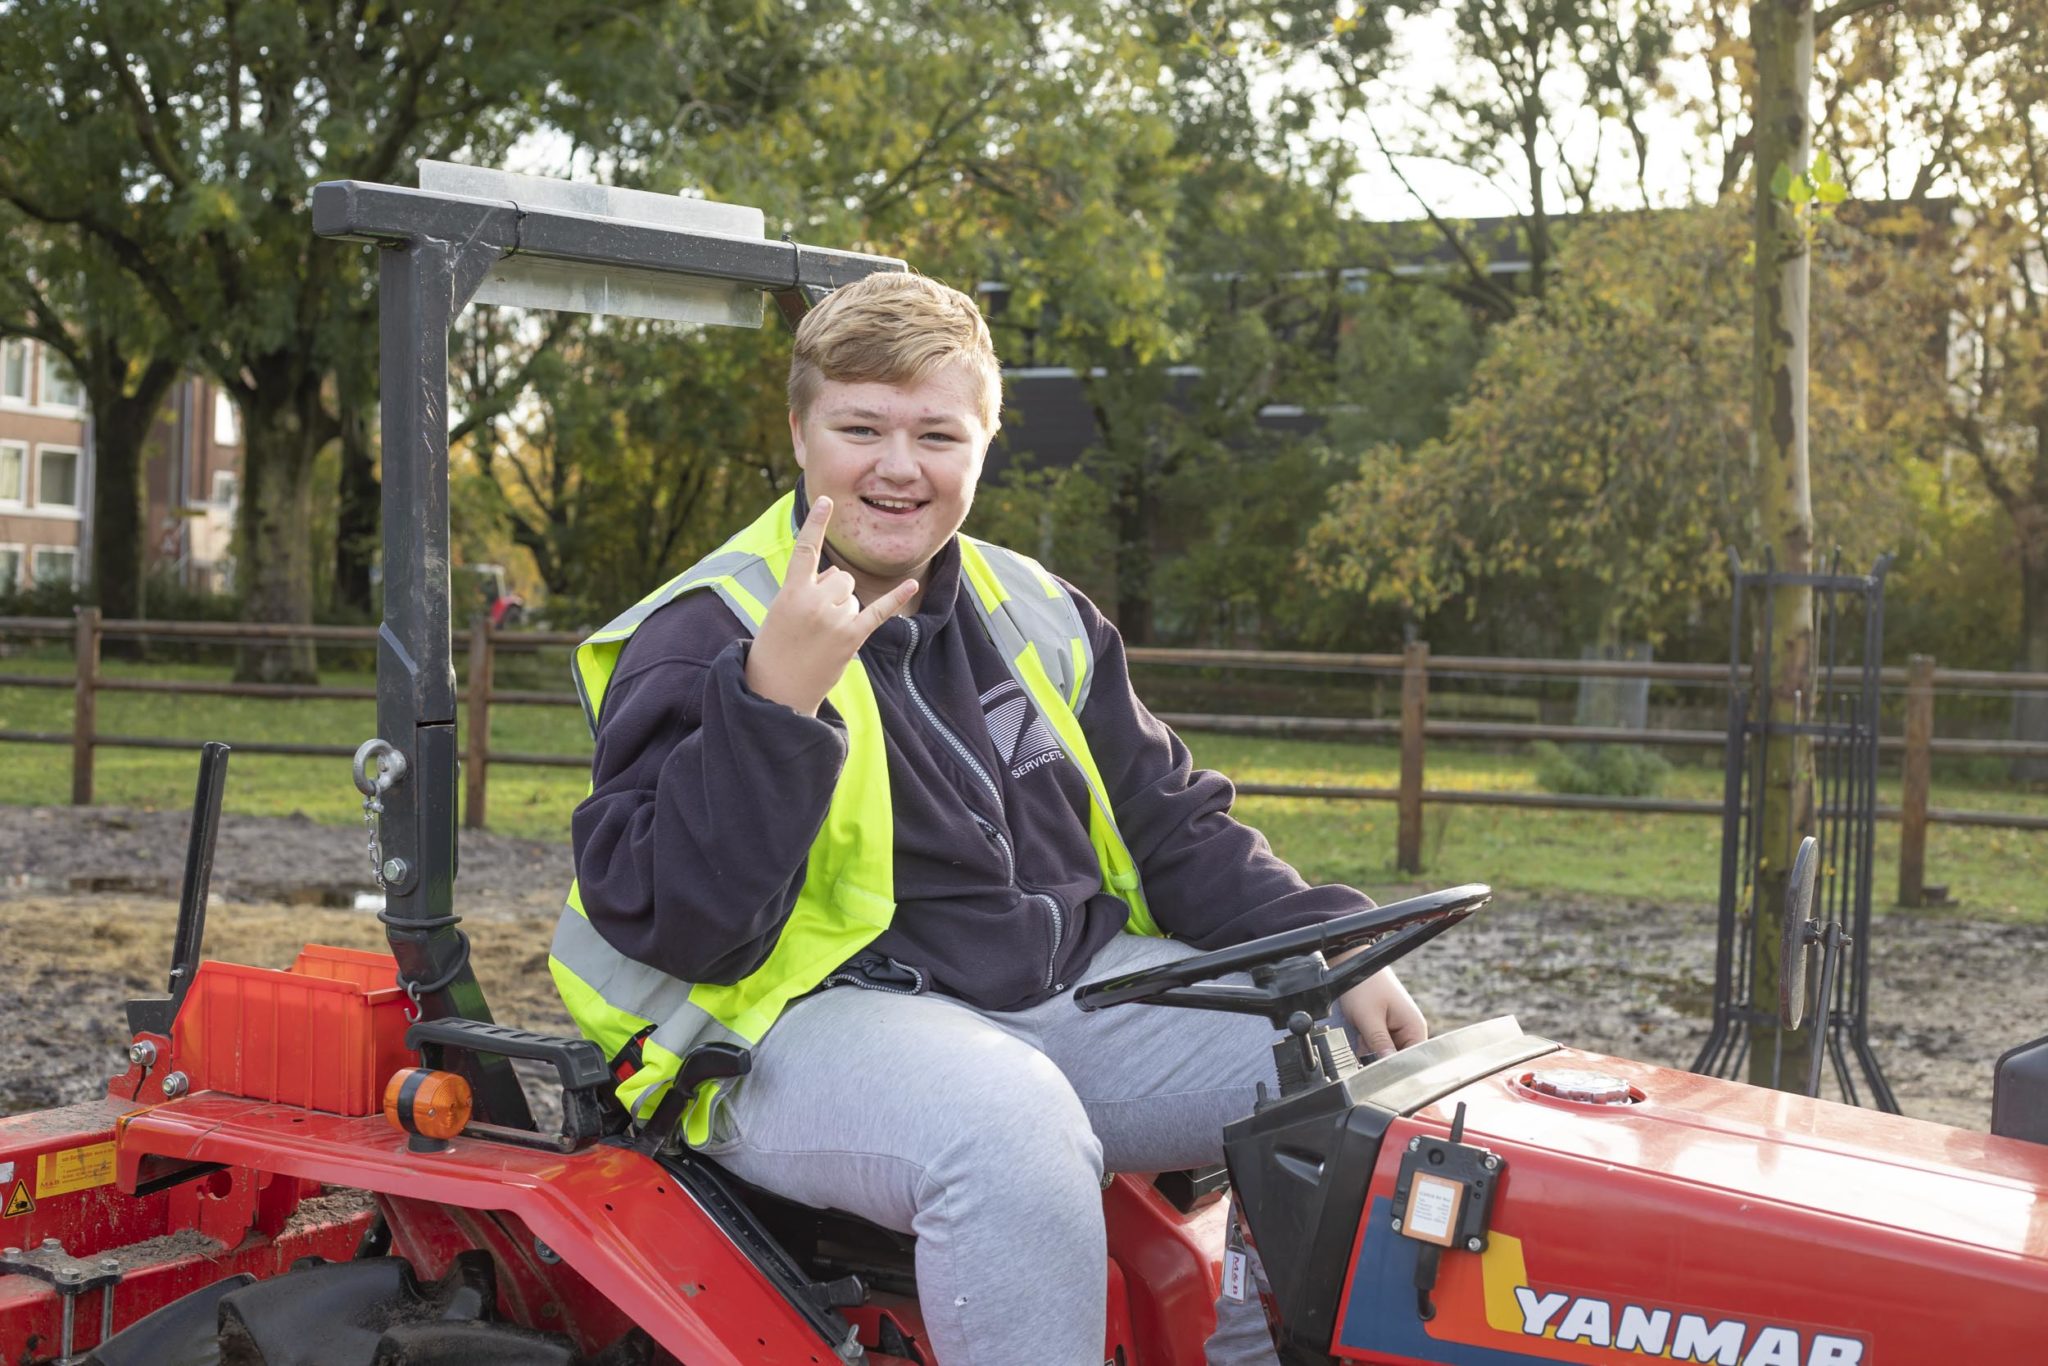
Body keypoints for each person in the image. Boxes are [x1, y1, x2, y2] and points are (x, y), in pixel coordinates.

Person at [550, 271, 1426, 1365]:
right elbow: (684, 923)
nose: (898, 466)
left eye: (936, 434)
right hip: (787, 1031)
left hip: (1047, 993)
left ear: (983, 444)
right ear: (799, 432)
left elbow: (1168, 819)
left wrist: (1326, 942)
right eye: (860, 428)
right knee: (1006, 1128)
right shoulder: (705, 631)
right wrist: (773, 706)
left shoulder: (1035, 609)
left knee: (1334, 1050)